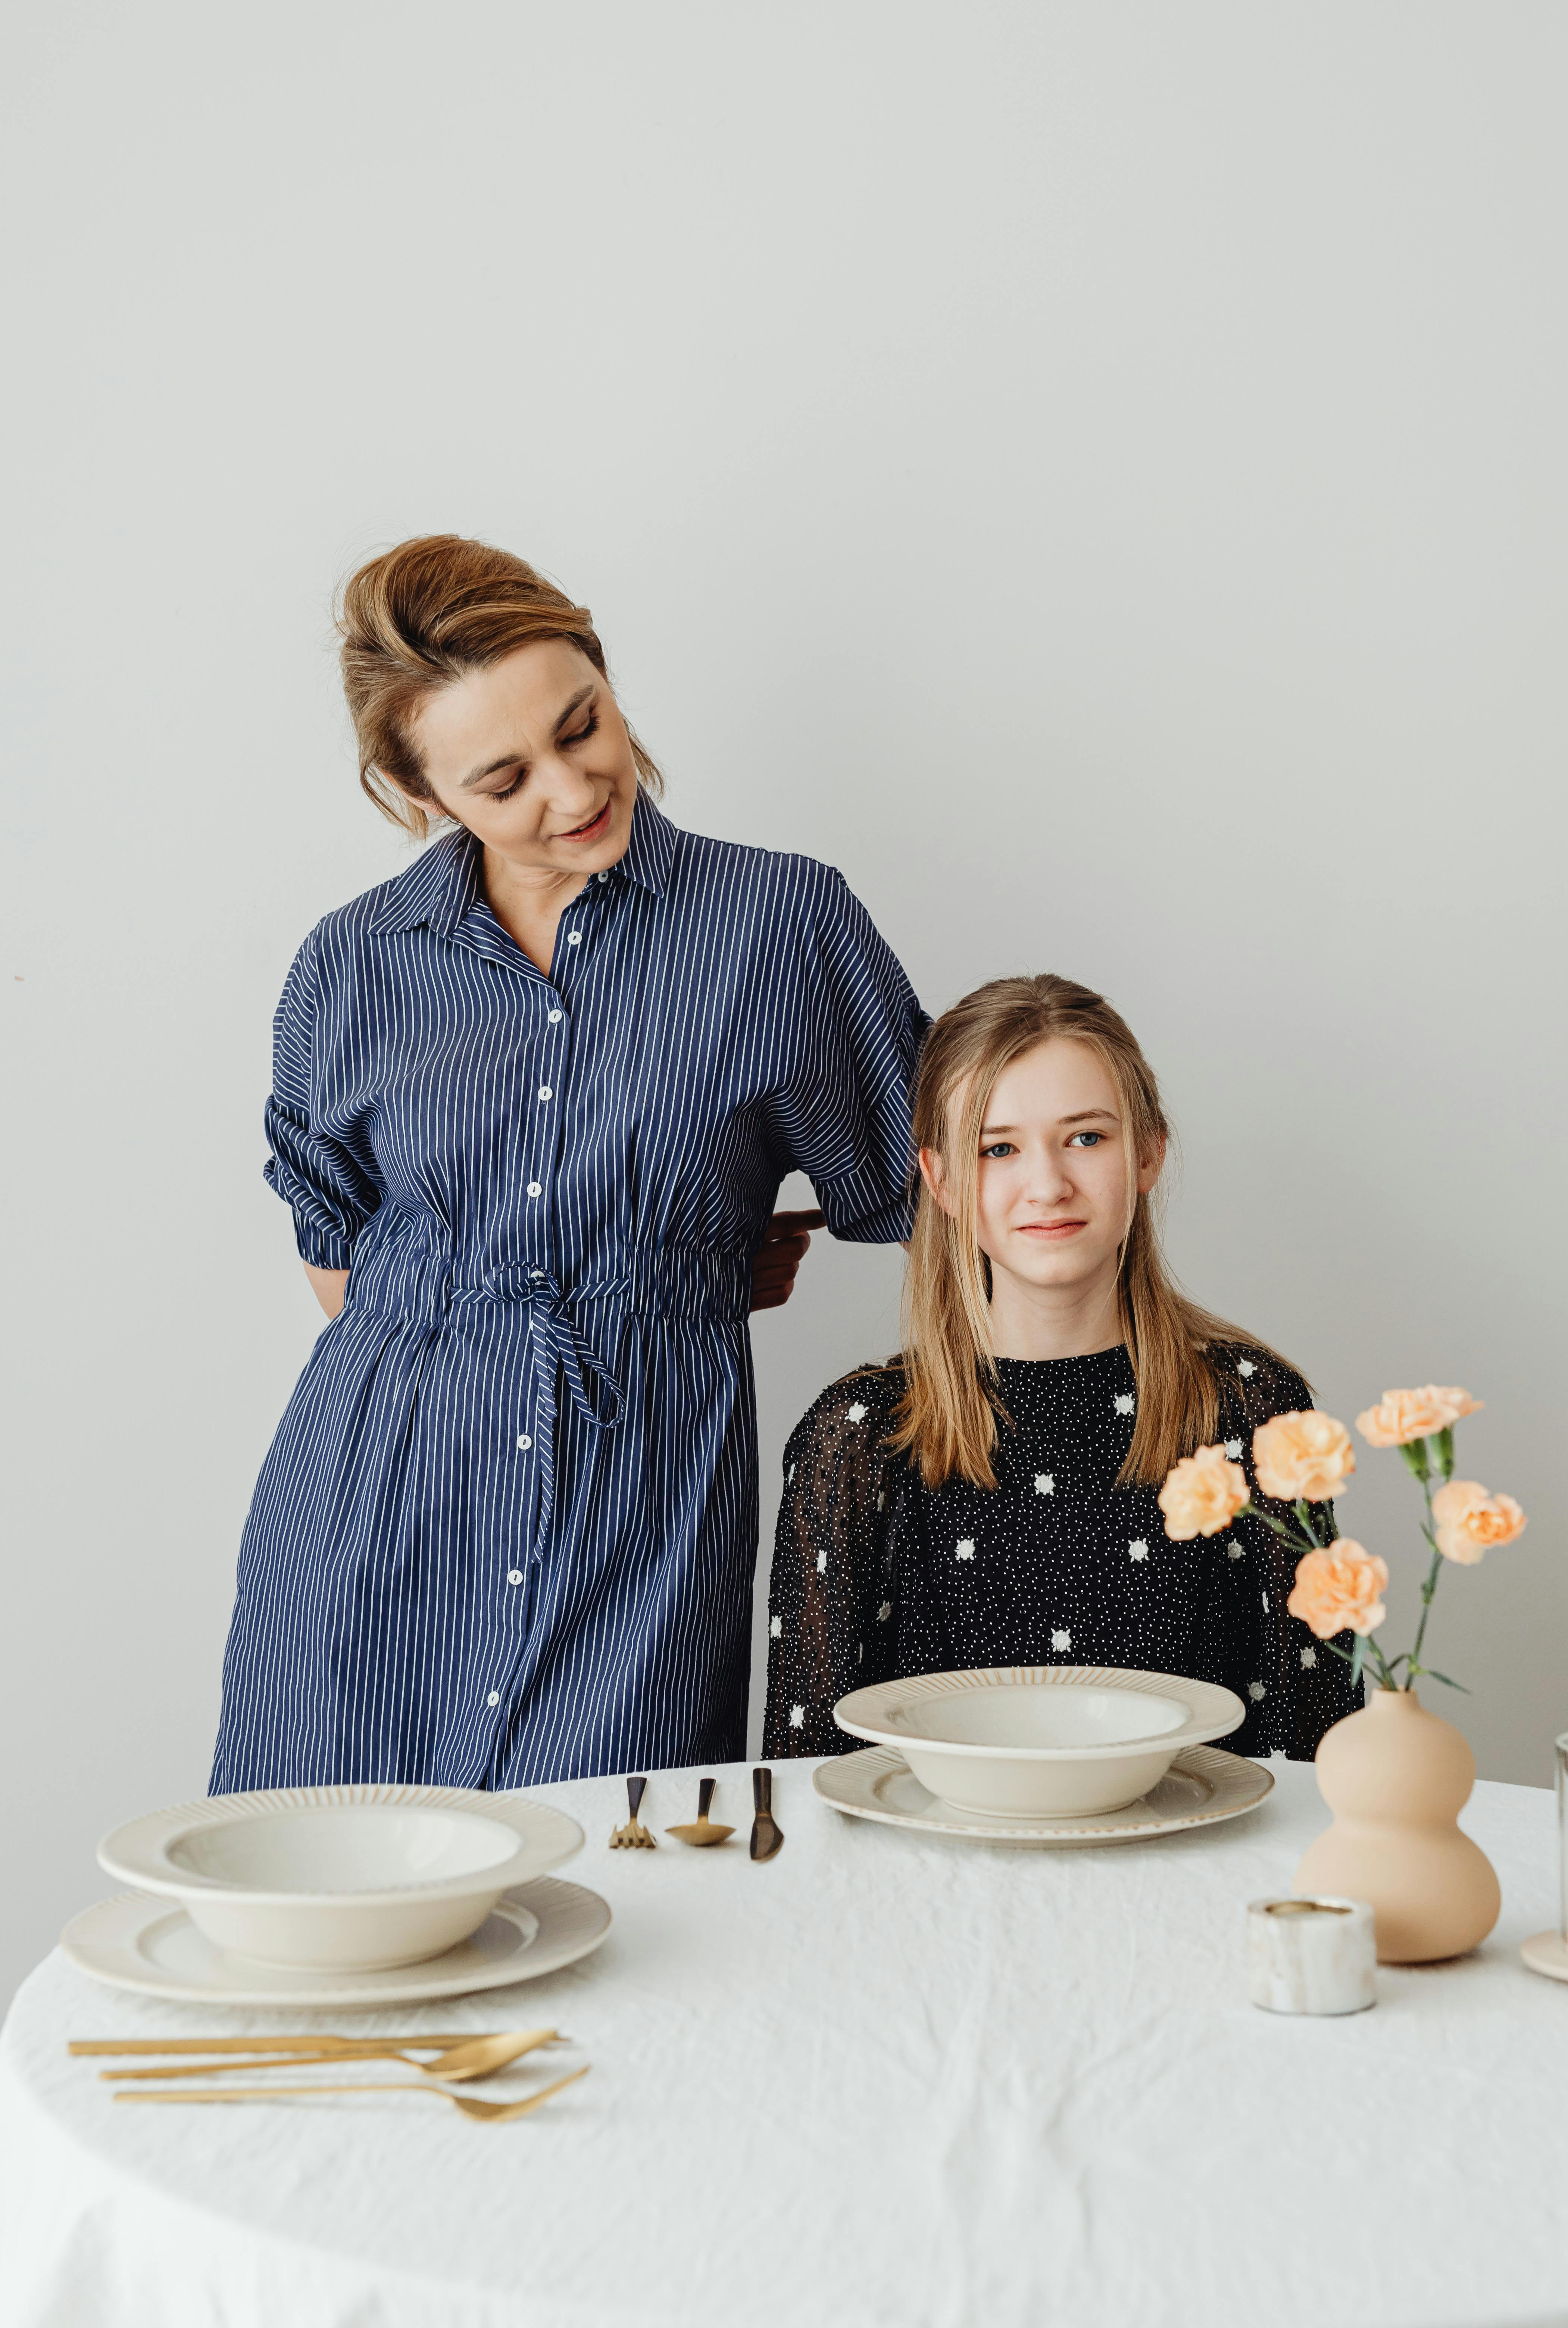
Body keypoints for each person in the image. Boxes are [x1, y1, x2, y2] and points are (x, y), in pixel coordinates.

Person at [212, 535, 925, 1793]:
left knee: (614, 1897)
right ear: (420, 792)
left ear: (599, 668)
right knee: (333, 1910)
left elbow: (928, 1183)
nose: (572, 785)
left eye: (580, 722)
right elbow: (341, 1257)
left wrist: (677, 1253)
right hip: (374, 1511)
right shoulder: (351, 964)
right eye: (502, 778)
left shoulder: (780, 926)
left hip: (643, 1510)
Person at [763, 974, 1358, 1761]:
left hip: (1200, 1873)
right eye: (997, 1148)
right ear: (941, 1181)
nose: (1047, 1184)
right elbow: (806, 1784)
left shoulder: (1258, 1411)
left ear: (1148, 1151)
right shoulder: (857, 1439)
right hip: (934, 1881)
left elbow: (1323, 1762)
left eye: (1085, 1137)